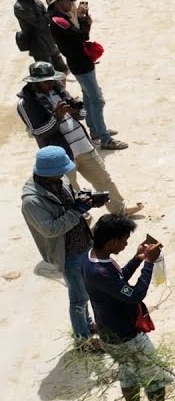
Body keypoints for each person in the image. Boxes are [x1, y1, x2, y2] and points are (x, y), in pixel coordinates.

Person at [85, 215, 175, 401]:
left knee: (129, 373)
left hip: (109, 335)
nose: (125, 244)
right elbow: (133, 295)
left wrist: (138, 258)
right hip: (126, 336)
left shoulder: (93, 259)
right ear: (112, 241)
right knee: (155, 375)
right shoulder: (100, 273)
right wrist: (149, 264)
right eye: (124, 240)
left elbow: (119, 281)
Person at [17, 61, 143, 217]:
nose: (51, 83)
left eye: (52, 79)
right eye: (47, 81)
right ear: (35, 82)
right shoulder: (25, 103)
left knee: (104, 180)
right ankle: (80, 218)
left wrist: (75, 110)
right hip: (62, 154)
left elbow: (82, 115)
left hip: (83, 146)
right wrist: (57, 116)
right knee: (70, 190)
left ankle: (119, 210)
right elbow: (38, 132)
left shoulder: (59, 90)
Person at [21, 146, 109, 353]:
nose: (65, 174)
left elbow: (72, 201)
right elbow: (51, 230)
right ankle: (83, 341)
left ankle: (86, 325)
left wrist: (87, 202)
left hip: (84, 243)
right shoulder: (32, 201)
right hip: (68, 253)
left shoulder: (61, 180)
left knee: (86, 291)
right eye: (61, 171)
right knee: (78, 298)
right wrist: (77, 211)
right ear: (48, 173)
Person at [44, 0, 128, 149]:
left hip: (80, 62)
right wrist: (82, 19)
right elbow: (82, 36)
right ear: (58, 2)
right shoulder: (59, 20)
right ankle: (105, 138)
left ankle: (96, 130)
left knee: (89, 97)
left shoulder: (60, 18)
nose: (70, 2)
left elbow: (79, 36)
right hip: (80, 64)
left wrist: (82, 20)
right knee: (97, 100)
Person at [13, 0, 68, 73]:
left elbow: (48, 20)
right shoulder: (20, 7)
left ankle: (61, 88)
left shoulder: (38, 3)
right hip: (38, 45)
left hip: (49, 41)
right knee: (48, 73)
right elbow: (40, 23)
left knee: (63, 70)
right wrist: (52, 12)